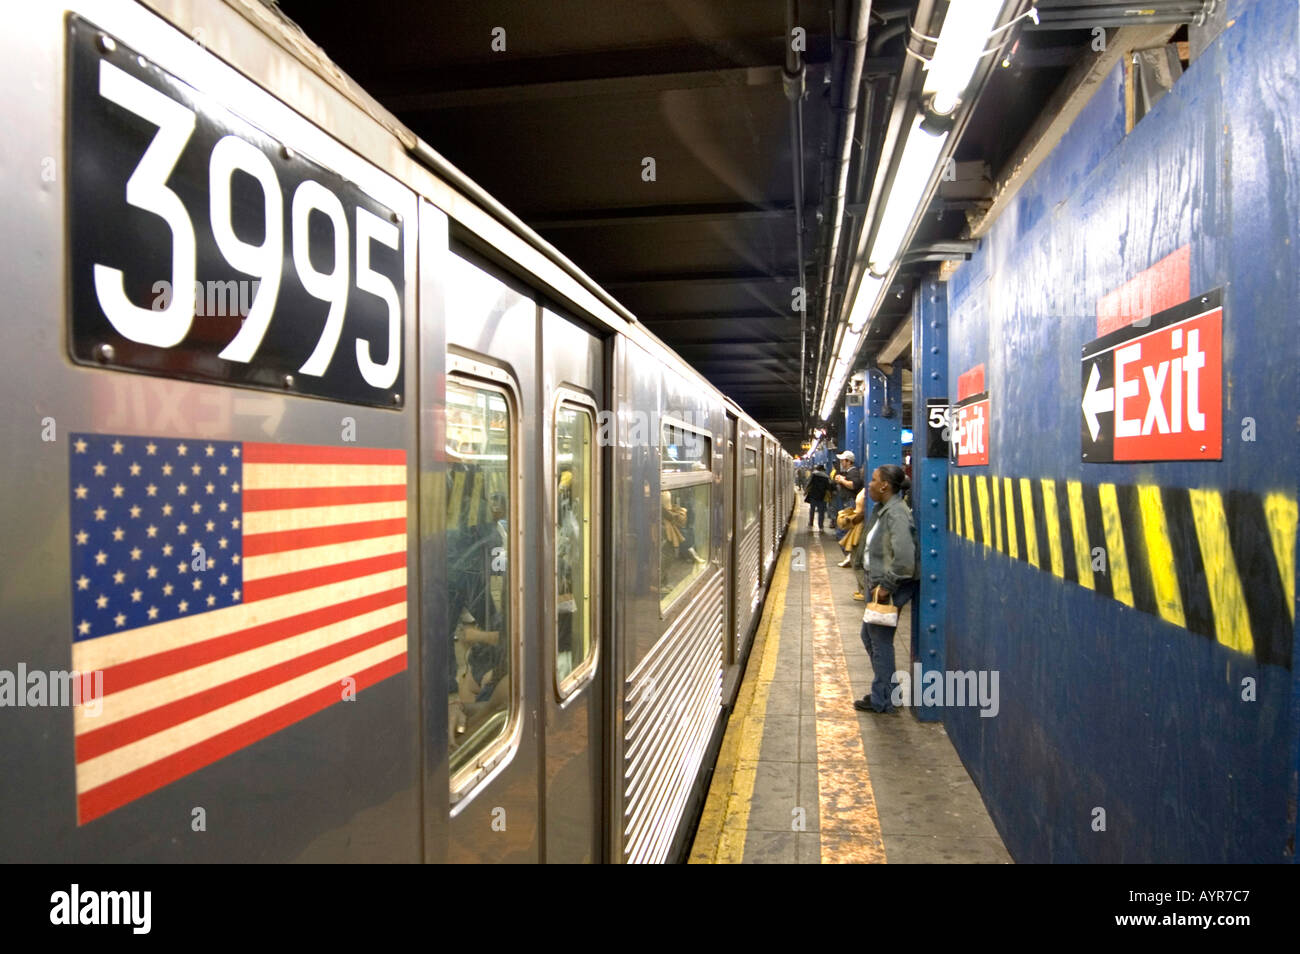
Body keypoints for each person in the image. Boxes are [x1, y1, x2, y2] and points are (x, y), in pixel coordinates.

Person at [854, 464, 918, 714]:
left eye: (873, 480)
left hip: (887, 587)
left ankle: (885, 699)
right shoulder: (885, 509)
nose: (868, 484)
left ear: (885, 486)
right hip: (879, 583)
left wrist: (886, 586)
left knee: (879, 642)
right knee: (870, 637)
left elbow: (904, 559)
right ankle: (887, 692)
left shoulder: (896, 514)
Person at [804, 464, 830, 531]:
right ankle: (821, 526)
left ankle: (811, 523)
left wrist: (806, 491)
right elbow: (828, 486)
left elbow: (809, 483)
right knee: (821, 512)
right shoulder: (826, 477)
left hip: (813, 495)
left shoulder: (814, 475)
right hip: (822, 496)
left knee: (812, 510)